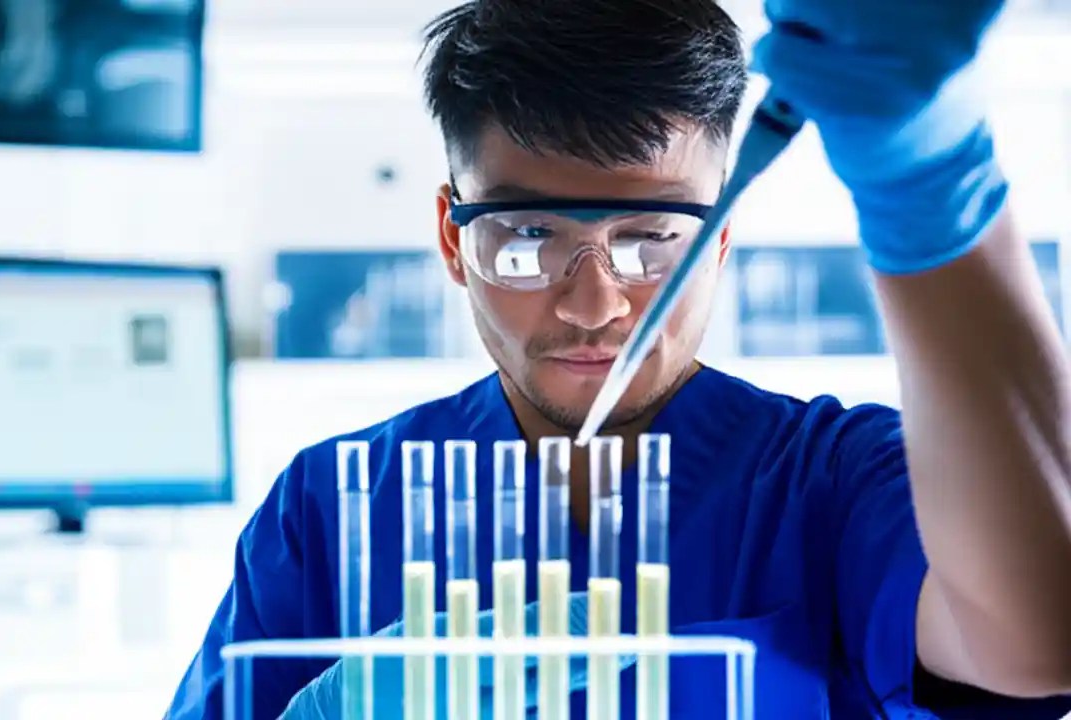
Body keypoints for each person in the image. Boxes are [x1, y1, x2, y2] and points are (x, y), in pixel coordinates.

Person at [166, 0, 1071, 717]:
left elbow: (1041, 640)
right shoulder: (334, 504)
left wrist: (919, 162)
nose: (595, 304)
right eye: (527, 236)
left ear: (718, 242)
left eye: (652, 239)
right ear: (453, 239)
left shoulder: (836, 479)